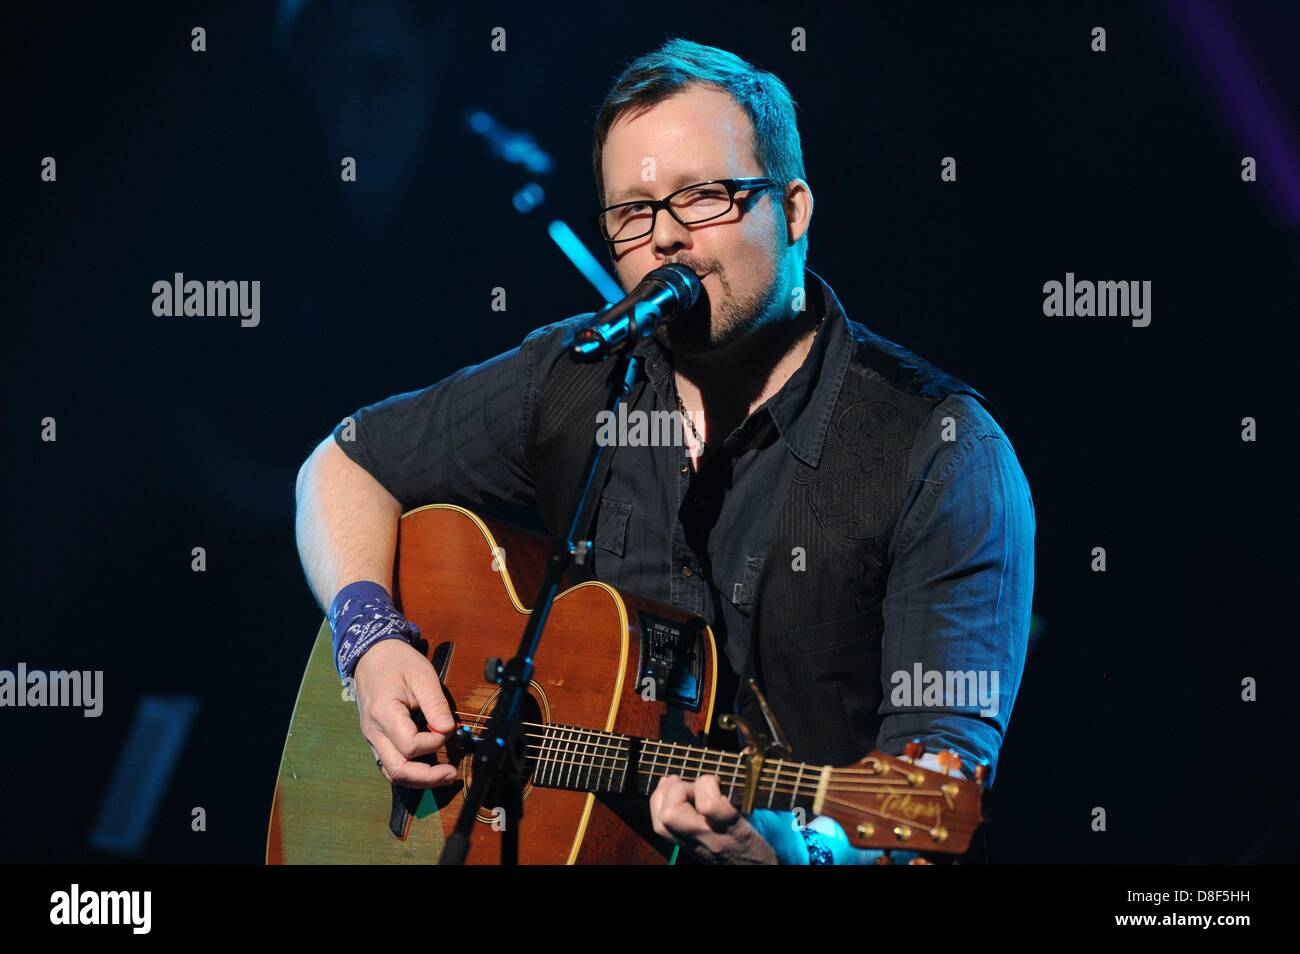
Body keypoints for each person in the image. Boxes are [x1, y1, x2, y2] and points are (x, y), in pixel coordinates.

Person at [294, 38, 1035, 865]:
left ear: (792, 211)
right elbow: (342, 463)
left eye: (704, 197)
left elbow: (936, 785)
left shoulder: (941, 451)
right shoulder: (578, 374)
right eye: (633, 212)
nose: (666, 238)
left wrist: (803, 855)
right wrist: (371, 644)